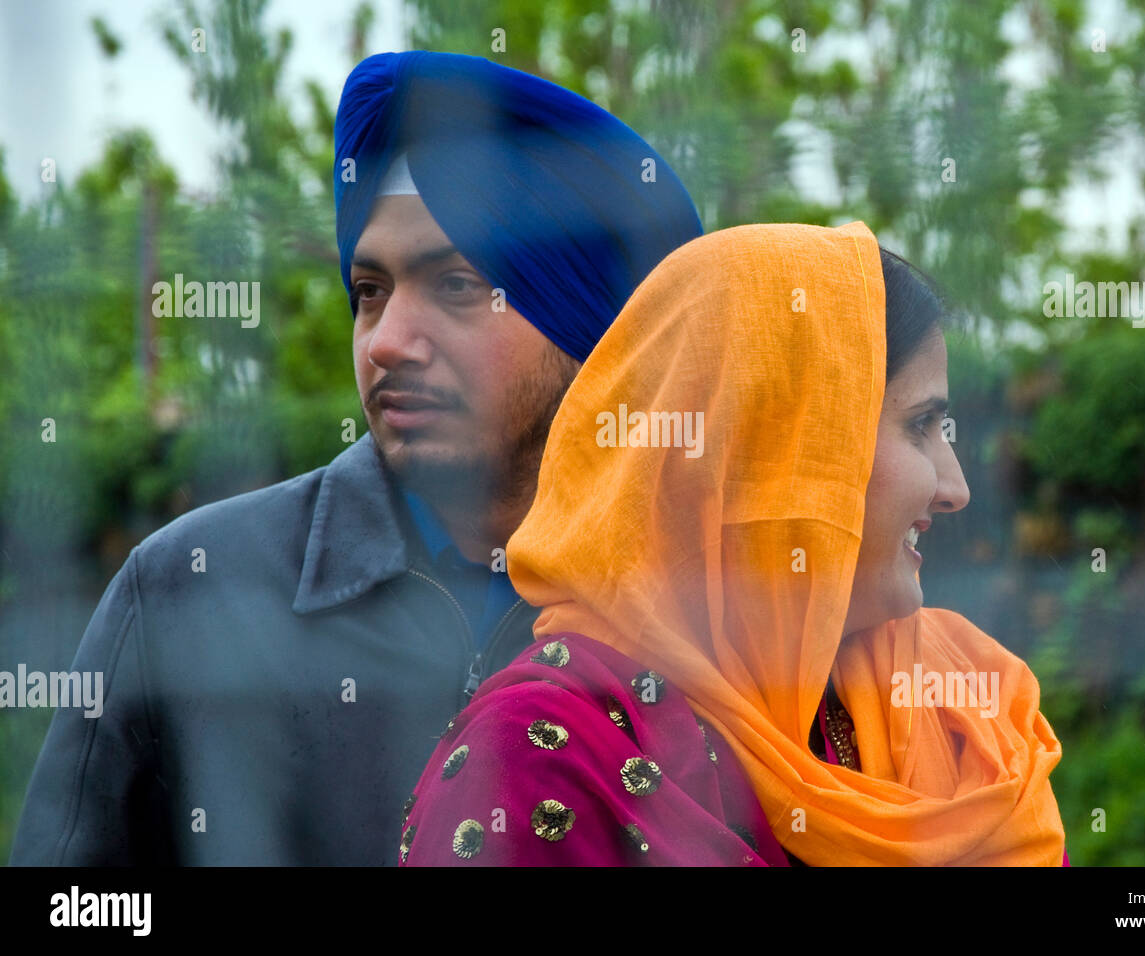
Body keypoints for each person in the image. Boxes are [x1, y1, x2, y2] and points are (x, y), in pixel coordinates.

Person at [9, 51, 702, 865]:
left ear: (590, 329)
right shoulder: (186, 588)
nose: (386, 342)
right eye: (370, 291)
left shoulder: (698, 615)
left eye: (456, 287)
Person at [398, 221, 1069, 866]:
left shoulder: (957, 708)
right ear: (775, 450)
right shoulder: (540, 755)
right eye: (919, 425)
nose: (955, 489)